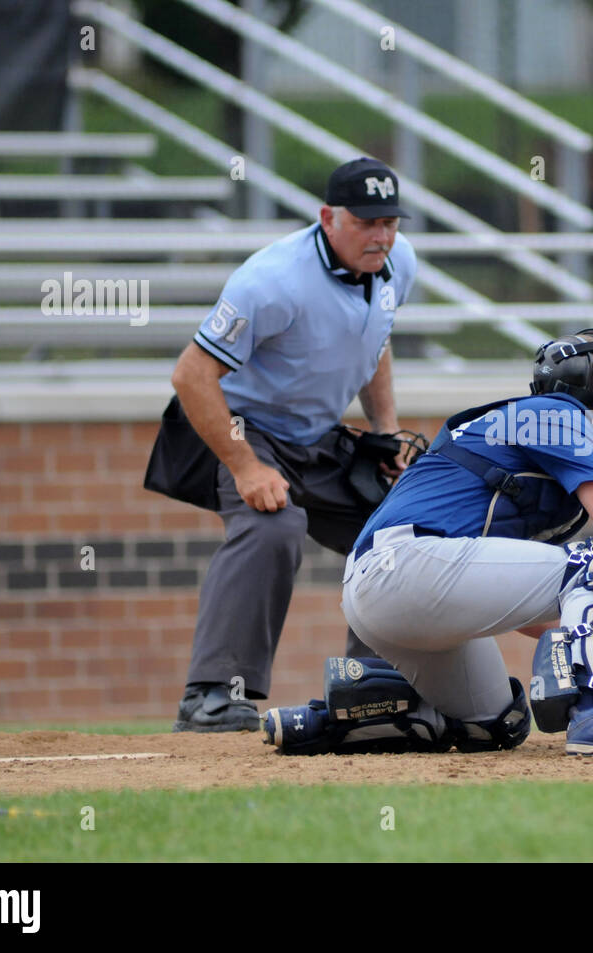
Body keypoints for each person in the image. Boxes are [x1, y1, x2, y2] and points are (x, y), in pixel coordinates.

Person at [261, 329, 593, 758]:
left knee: (496, 722)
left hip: (381, 592)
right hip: (408, 566)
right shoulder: (555, 411)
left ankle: (330, 720)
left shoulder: (511, 432)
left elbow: (509, 603)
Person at [143, 157, 417, 732]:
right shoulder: (272, 280)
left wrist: (385, 430)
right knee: (274, 526)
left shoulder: (397, 264)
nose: (382, 235)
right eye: (366, 222)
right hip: (246, 428)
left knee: (398, 532)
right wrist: (245, 467)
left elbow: (374, 341)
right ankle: (211, 695)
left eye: (390, 221)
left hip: (317, 435)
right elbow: (190, 376)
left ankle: (371, 689)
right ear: (327, 218)